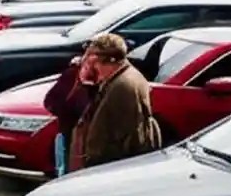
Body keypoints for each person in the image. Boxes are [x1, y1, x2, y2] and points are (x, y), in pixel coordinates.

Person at [68, 33, 162, 172]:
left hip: (113, 166)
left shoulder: (122, 86)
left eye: (91, 59)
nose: (87, 63)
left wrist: (91, 166)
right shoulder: (123, 75)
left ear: (100, 60)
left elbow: (105, 137)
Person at [44, 53, 97, 176]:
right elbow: (51, 101)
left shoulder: (104, 84)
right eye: (87, 65)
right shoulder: (71, 75)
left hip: (89, 140)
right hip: (70, 133)